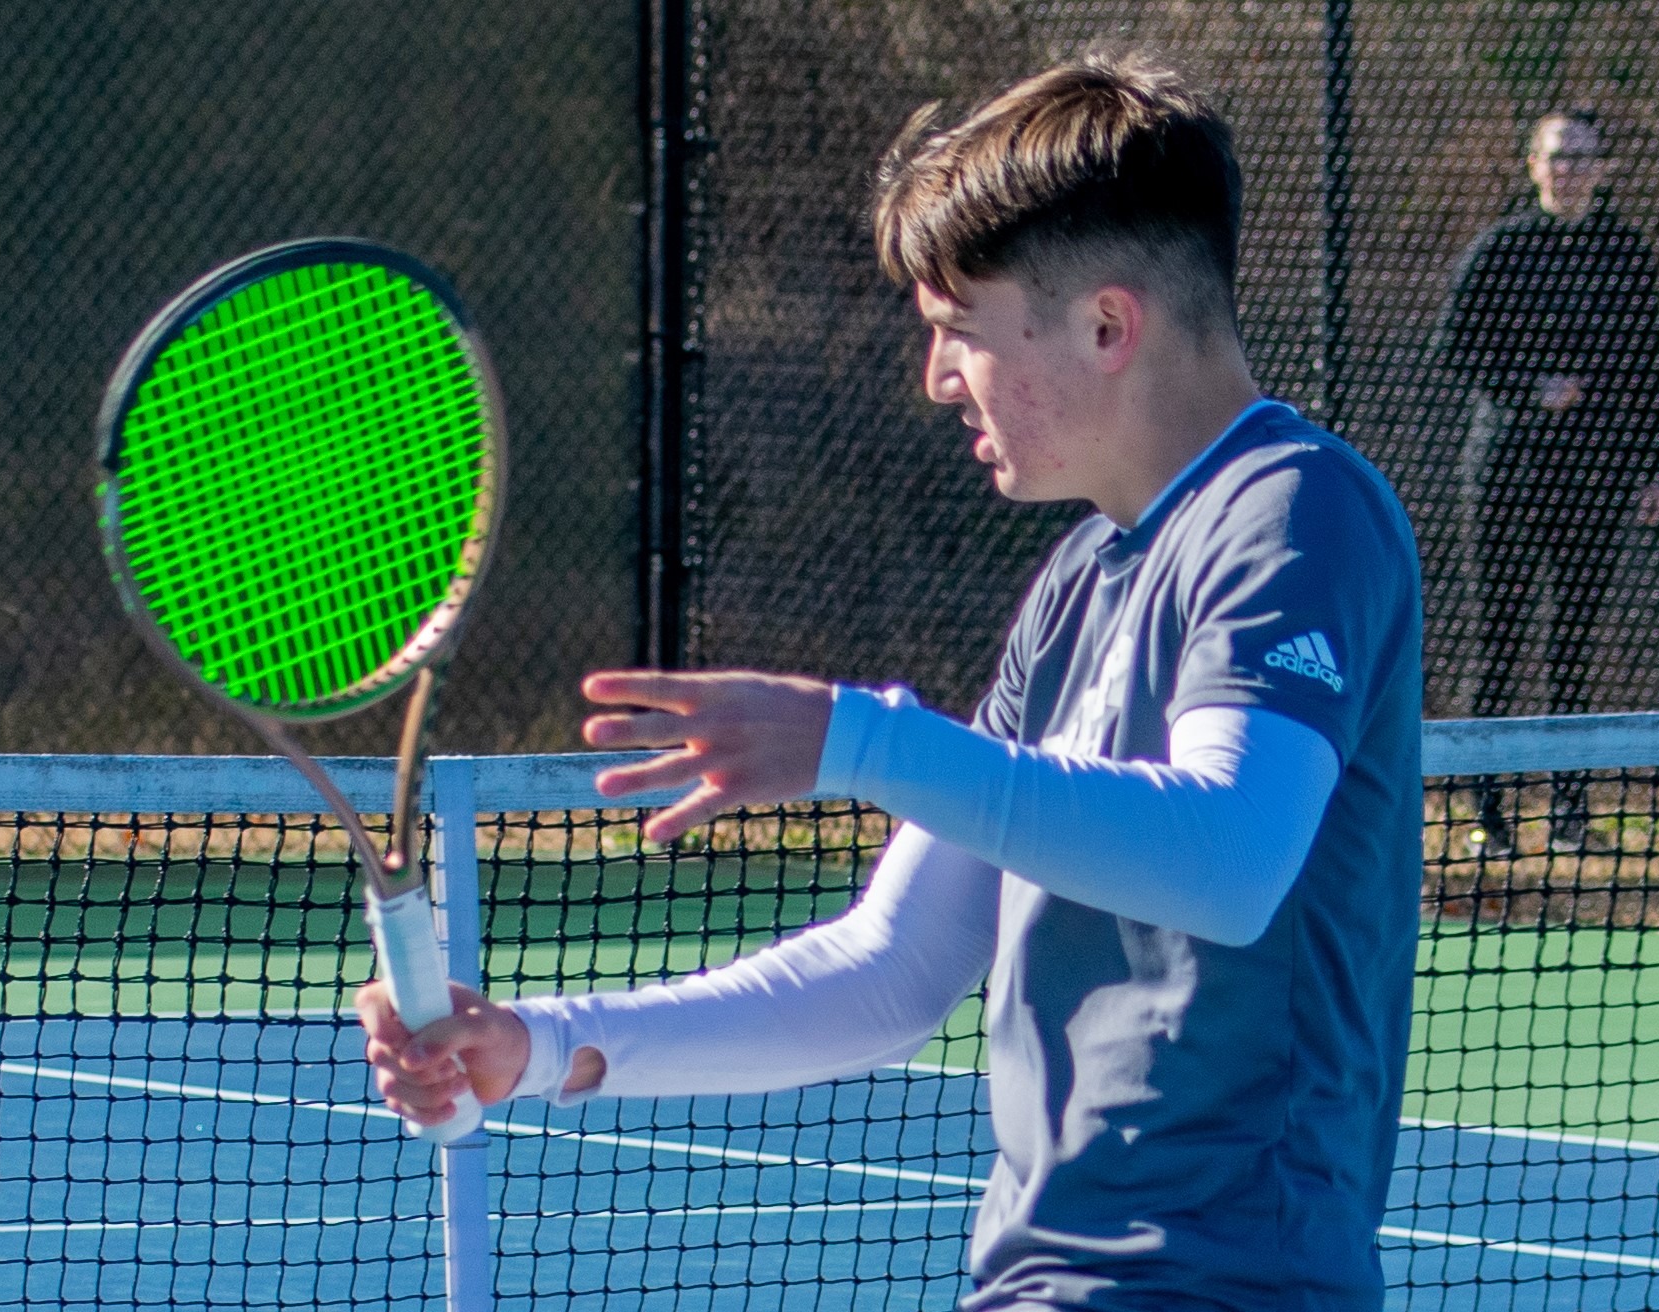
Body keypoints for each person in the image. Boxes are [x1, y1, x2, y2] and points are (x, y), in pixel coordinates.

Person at [361, 51, 1423, 1309]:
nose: (936, 378)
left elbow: (1231, 857)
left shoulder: (1295, 513)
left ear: (1105, 327)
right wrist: (538, 1046)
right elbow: (890, 967)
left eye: (958, 330)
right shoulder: (1080, 581)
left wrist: (861, 741)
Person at [1435, 109, 1659, 856]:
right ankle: (1487, 814)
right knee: (1500, 640)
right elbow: (1454, 347)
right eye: (1556, 155)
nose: (1568, 169)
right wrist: (1528, 389)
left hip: (1596, 476)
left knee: (1573, 642)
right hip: (1507, 475)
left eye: (1581, 157)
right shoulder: (1500, 249)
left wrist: (1651, 470)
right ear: (1533, 165)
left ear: (1603, 170)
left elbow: (1647, 368)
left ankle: (1569, 813)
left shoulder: (1624, 253)